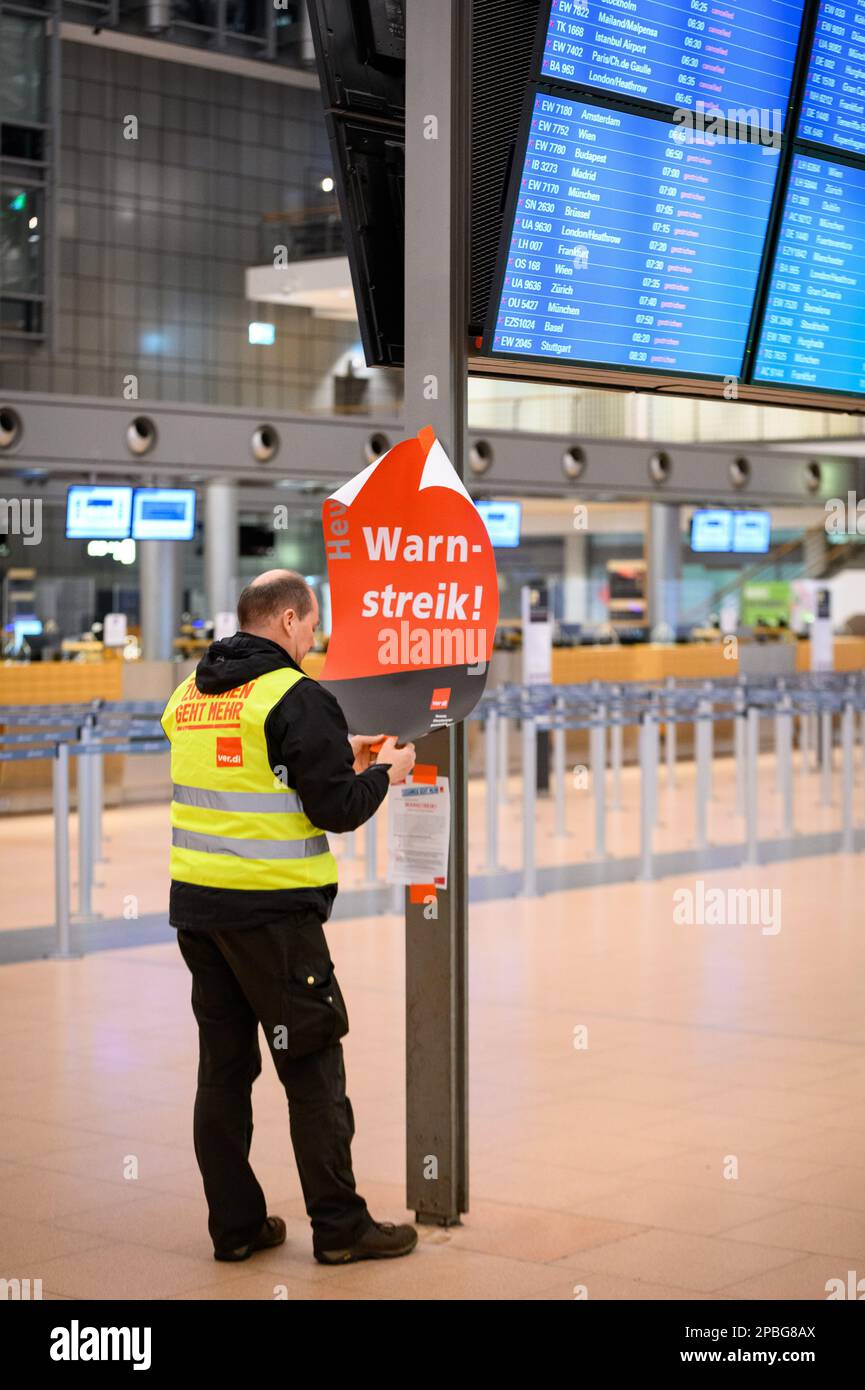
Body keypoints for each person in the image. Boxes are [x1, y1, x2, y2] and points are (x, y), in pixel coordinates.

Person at [161, 569, 417, 1265]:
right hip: (273, 917)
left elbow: (260, 772)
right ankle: (339, 1228)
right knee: (311, 1070)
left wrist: (345, 756)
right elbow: (335, 810)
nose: (314, 636)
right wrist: (386, 773)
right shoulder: (296, 694)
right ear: (284, 621)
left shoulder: (191, 694)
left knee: (223, 1072)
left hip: (200, 910)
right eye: (311, 624)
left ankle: (236, 1227)